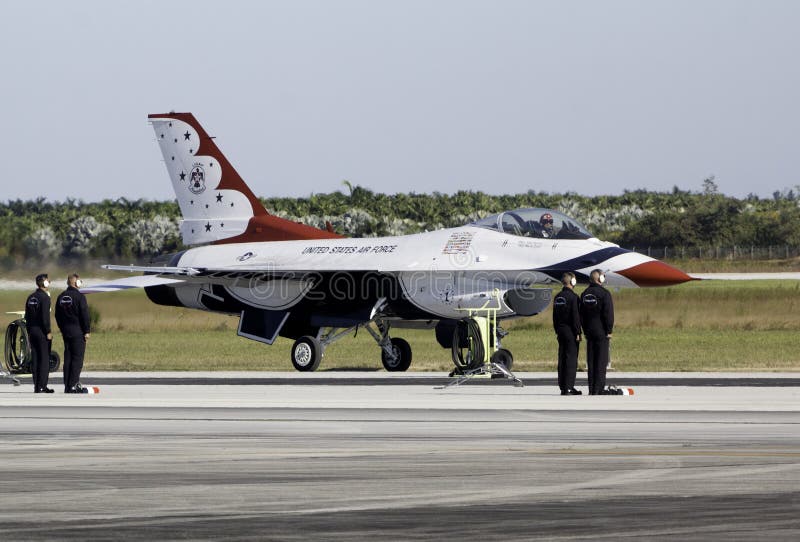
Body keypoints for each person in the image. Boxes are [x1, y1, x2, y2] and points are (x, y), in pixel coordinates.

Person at [580, 269, 614, 395]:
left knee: (591, 360)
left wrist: (585, 329)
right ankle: (599, 389)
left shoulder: (584, 294)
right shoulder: (605, 294)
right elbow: (608, 314)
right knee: (601, 360)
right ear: (599, 279)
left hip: (589, 331)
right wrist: (609, 330)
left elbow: (581, 315)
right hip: (601, 332)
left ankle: (591, 388)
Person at [55, 274, 91, 394]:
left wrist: (62, 328)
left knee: (68, 359)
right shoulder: (80, 297)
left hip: (66, 332)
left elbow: (57, 315)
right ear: (76, 283)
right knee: (77, 360)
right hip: (78, 332)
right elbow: (84, 315)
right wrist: (86, 331)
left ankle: (67, 386)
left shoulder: (61, 296)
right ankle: (73, 385)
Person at [552, 272, 582, 395]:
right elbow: (575, 317)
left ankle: (563, 386)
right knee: (571, 359)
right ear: (572, 282)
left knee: (562, 358)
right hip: (570, 332)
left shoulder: (558, 297)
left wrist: (557, 330)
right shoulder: (574, 298)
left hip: (560, 330)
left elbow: (554, 317)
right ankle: (569, 386)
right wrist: (578, 332)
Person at [25, 273, 54, 393]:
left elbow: (27, 316)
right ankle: (42, 385)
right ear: (44, 283)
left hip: (32, 331)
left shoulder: (31, 297)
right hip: (42, 332)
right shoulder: (45, 298)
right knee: (44, 359)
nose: (49, 282)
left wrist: (29, 330)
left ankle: (37, 386)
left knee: (35, 359)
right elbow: (45, 317)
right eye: (48, 281)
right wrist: (48, 331)